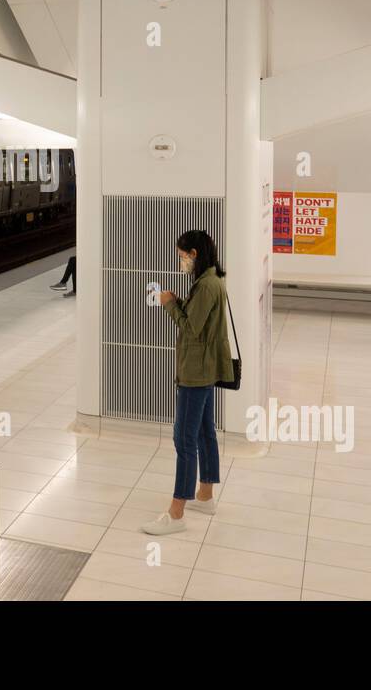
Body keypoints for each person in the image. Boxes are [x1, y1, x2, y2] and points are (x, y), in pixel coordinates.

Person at [142, 229, 230, 536]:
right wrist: (179, 301)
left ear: (194, 254)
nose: (180, 261)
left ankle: (176, 512)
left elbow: (191, 329)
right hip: (204, 369)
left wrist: (168, 304)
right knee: (205, 432)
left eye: (182, 255)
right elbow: (199, 319)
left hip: (196, 371)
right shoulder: (211, 279)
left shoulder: (206, 285)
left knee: (184, 440)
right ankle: (204, 495)